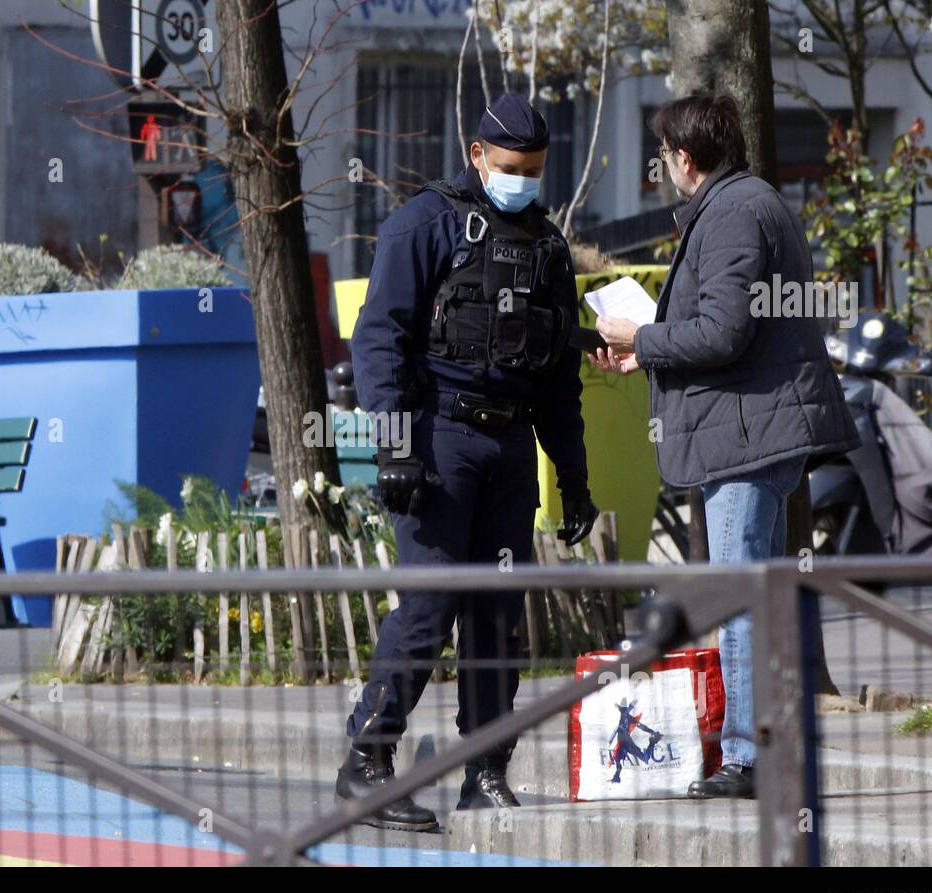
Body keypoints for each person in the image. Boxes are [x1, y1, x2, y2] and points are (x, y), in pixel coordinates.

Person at [337, 93, 601, 830]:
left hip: (511, 447)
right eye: (511, 167)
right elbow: (379, 339)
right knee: (426, 610)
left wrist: (574, 478)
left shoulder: (548, 249)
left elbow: (558, 381)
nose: (523, 180)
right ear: (478, 154)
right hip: (437, 441)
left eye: (535, 169)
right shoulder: (425, 223)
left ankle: (485, 772)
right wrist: (393, 446)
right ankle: (366, 765)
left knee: (498, 620)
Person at [592, 94, 858, 798]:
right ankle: (770, 749)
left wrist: (638, 337)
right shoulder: (745, 203)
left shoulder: (736, 212)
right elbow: (726, 328)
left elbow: (721, 333)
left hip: (746, 437)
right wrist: (647, 355)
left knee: (742, 595)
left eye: (663, 157)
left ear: (684, 159)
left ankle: (749, 758)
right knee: (760, 593)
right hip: (751, 430)